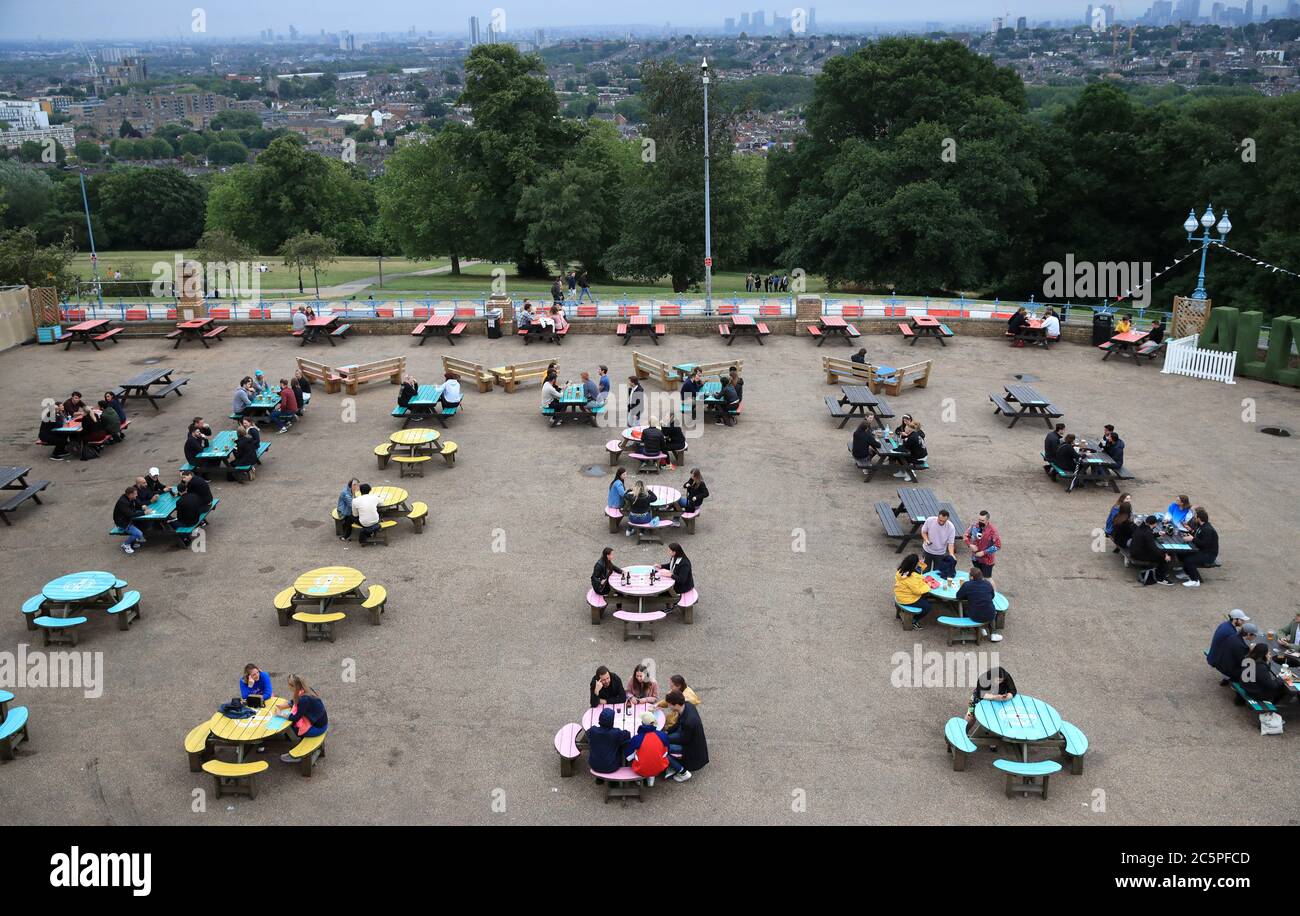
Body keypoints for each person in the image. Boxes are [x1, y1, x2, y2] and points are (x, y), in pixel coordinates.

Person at [275, 675, 328, 764]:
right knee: (292, 725)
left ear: (292, 686)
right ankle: (292, 741)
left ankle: (298, 754)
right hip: (322, 723)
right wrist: (284, 705)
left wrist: (280, 714)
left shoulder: (304, 700)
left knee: (292, 727)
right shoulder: (307, 690)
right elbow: (295, 700)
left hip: (318, 729)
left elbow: (295, 718)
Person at [626, 710, 683, 781]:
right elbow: (666, 751)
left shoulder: (637, 738)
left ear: (642, 723)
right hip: (660, 768)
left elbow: (628, 757)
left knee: (631, 759)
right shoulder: (662, 735)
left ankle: (638, 780)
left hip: (640, 770)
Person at [664, 690, 707, 779]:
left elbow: (684, 740)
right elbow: (678, 723)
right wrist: (668, 732)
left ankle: (680, 771)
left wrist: (665, 739)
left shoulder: (689, 722)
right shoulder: (688, 705)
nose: (668, 706)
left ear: (676, 705)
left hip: (691, 749)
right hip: (688, 739)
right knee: (665, 740)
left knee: (662, 749)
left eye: (670, 704)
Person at [956, 567, 1002, 642]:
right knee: (990, 608)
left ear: (971, 577)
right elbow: (992, 596)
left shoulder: (967, 585)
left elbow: (958, 597)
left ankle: (977, 629)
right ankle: (993, 634)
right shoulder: (987, 584)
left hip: (975, 616)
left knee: (964, 608)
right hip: (990, 614)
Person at [1177, 507, 1218, 588]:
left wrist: (1192, 538)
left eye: (1195, 517)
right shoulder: (1202, 526)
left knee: (1189, 559)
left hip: (1208, 555)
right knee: (1181, 553)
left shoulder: (1208, 529)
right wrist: (1191, 531)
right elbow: (1198, 535)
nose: (1194, 519)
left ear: (1199, 518)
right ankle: (1188, 573)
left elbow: (1205, 544)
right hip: (1202, 551)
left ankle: (1195, 580)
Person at [1128, 515, 1174, 585]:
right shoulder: (1147, 533)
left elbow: (1148, 536)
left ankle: (1161, 571)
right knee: (1165, 557)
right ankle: (1161, 578)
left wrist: (1157, 534)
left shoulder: (1141, 527)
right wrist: (1164, 555)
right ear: (1154, 523)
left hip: (1134, 551)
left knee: (1162, 554)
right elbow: (1153, 549)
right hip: (1139, 554)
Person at [1208, 610, 1251, 682]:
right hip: (1217, 659)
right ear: (1235, 619)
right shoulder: (1231, 633)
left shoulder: (1225, 625)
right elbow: (1236, 653)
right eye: (1242, 620)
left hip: (1214, 654)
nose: (1243, 622)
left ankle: (1226, 678)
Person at [586, 707, 630, 775]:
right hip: (611, 766)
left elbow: (588, 734)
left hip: (594, 764)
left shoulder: (593, 730)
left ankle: (599, 778)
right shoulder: (616, 733)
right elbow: (627, 735)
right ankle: (625, 766)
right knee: (623, 744)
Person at [894, 553, 932, 629]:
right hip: (907, 599)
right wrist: (928, 586)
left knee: (924, 597)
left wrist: (921, 565)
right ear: (914, 565)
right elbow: (917, 591)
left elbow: (917, 572)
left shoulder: (902, 571)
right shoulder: (912, 577)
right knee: (928, 607)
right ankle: (914, 621)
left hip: (901, 594)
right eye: (917, 562)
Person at [920, 509, 957, 578]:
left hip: (940, 553)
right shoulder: (930, 520)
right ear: (938, 517)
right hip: (927, 551)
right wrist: (926, 540)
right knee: (925, 570)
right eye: (940, 520)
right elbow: (923, 532)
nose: (942, 522)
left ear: (947, 519)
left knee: (937, 573)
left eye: (944, 521)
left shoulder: (951, 527)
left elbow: (951, 543)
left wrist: (951, 554)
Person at [963, 511, 1001, 579]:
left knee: (987, 579)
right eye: (979, 519)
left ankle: (992, 590)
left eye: (982, 520)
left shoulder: (992, 531)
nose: (980, 522)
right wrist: (970, 545)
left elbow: (998, 545)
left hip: (987, 560)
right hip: (975, 558)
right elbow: (965, 536)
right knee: (976, 577)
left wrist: (983, 552)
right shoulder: (974, 526)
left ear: (987, 520)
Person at [174, 479, 208, 545]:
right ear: (186, 489)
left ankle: (185, 538)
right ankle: (201, 522)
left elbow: (179, 517)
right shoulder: (194, 496)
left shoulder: (179, 502)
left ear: (178, 491)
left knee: (172, 524)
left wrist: (174, 520)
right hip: (197, 518)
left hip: (189, 523)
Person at [590, 547, 624, 612]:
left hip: (605, 583)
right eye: (612, 554)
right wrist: (600, 582)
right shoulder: (599, 565)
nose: (613, 556)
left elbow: (613, 567)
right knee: (619, 590)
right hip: (600, 588)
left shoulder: (606, 561)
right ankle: (619, 609)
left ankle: (619, 607)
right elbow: (593, 577)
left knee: (619, 585)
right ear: (607, 555)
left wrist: (621, 571)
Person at [113, 486, 145, 554]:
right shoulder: (123, 502)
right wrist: (144, 512)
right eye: (135, 494)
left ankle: (135, 541)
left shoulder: (130, 498)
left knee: (144, 524)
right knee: (139, 533)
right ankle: (126, 544)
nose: (137, 495)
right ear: (130, 494)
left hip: (128, 519)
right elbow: (131, 515)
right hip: (123, 522)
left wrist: (142, 507)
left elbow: (137, 504)